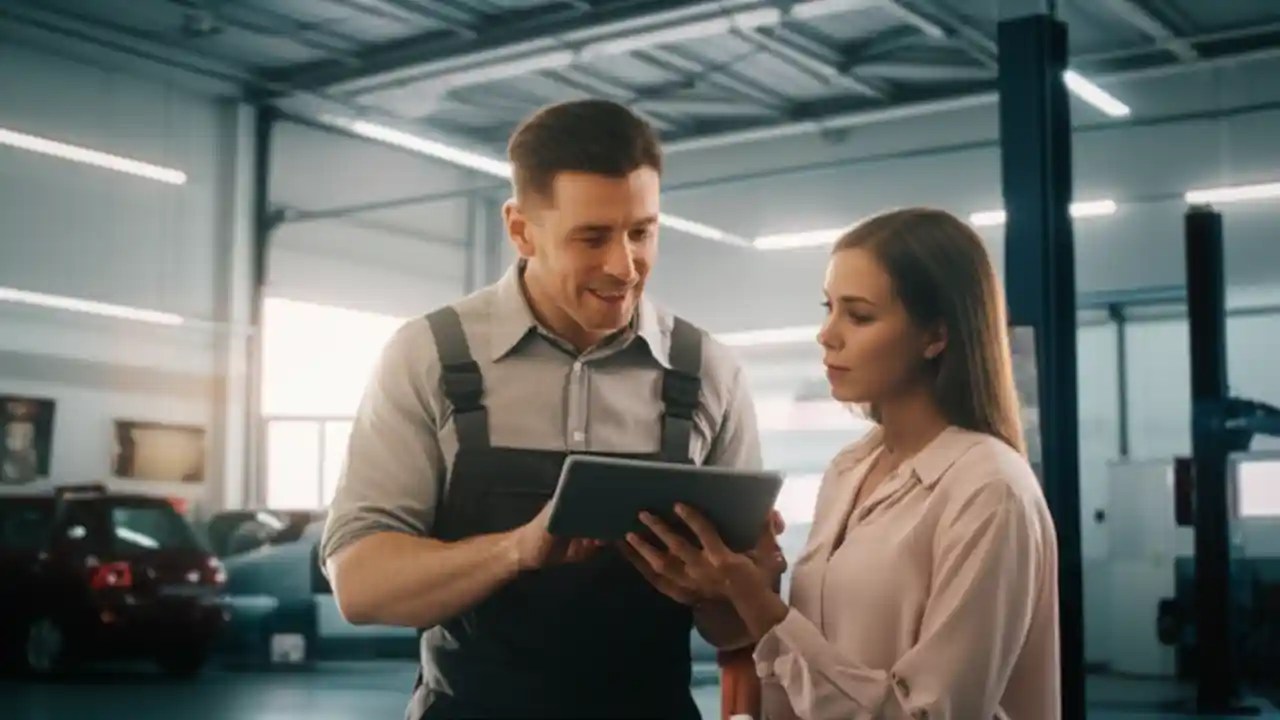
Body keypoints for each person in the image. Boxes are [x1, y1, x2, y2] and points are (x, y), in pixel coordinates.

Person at [319, 98, 779, 720]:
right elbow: (360, 586)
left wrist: (730, 585)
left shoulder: (708, 374)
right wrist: (517, 550)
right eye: (592, 237)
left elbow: (735, 632)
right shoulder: (428, 356)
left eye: (642, 232)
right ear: (520, 229)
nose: (624, 266)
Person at [628, 207, 1062, 719]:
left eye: (859, 316)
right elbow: (819, 669)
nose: (827, 334)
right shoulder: (850, 468)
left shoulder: (989, 490)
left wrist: (761, 607)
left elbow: (927, 712)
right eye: (829, 308)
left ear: (935, 336)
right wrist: (754, 585)